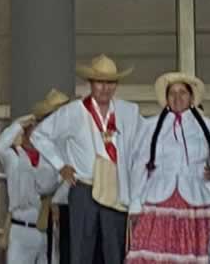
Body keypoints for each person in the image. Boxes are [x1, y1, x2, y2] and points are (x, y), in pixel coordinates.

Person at [32, 55, 142, 264]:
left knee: (115, 251)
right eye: (100, 82)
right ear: (90, 83)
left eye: (110, 82)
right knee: (81, 252)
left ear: (116, 85)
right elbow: (39, 135)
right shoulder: (73, 111)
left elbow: (143, 145)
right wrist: (60, 165)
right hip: (84, 188)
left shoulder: (128, 111)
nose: (105, 88)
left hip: (116, 188)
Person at [124, 72, 210, 264]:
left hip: (198, 201)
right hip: (158, 201)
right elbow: (139, 164)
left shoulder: (208, 127)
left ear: (191, 97)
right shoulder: (151, 126)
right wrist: (135, 203)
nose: (177, 97)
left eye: (182, 92)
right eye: (172, 93)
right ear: (166, 98)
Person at [0, 92, 69, 264]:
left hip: (45, 228)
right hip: (20, 227)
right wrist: (18, 124)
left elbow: (50, 185)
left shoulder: (51, 157)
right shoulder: (14, 156)